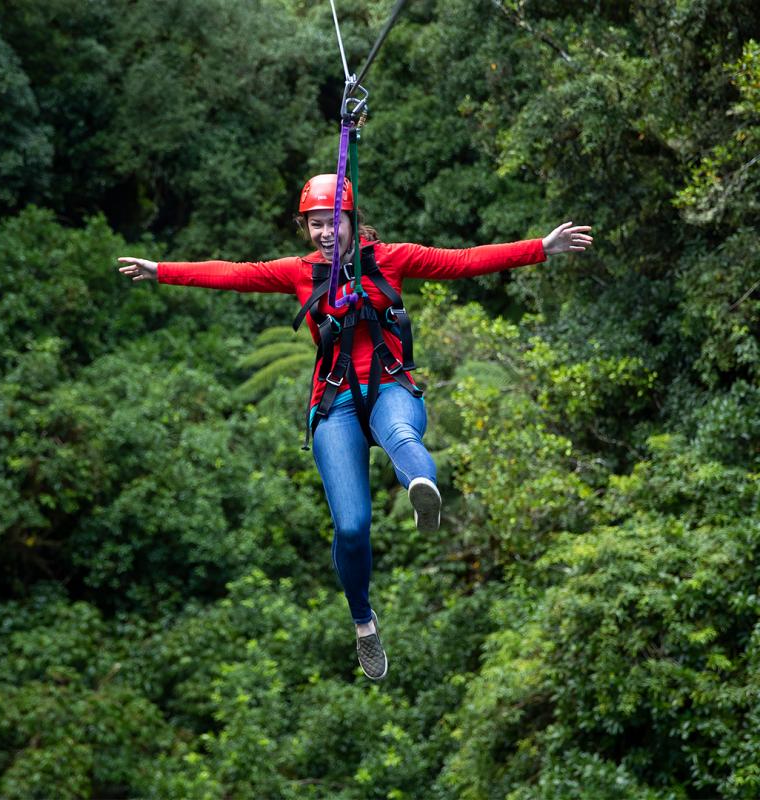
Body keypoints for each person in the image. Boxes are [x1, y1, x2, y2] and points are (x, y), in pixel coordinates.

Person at [118, 173, 593, 680]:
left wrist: (542, 247)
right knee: (350, 526)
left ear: (352, 221)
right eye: (315, 224)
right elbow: (233, 274)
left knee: (402, 436)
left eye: (333, 222)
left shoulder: (391, 258)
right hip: (336, 403)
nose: (325, 232)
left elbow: (464, 261)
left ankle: (420, 487)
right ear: (306, 228)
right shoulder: (299, 272)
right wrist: (161, 270)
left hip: (390, 385)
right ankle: (364, 623)